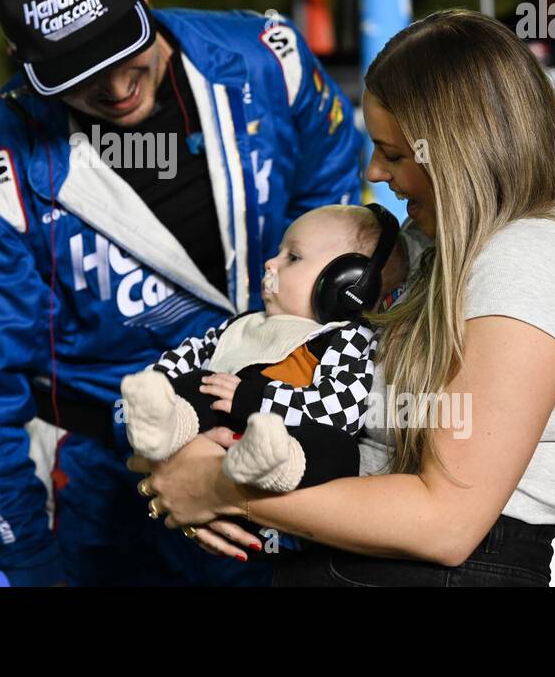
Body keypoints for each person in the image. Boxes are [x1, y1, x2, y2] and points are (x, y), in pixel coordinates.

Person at [132, 9, 555, 587]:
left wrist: (218, 488)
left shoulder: (528, 259)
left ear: (461, 153)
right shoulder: (433, 247)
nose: (374, 172)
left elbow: (446, 522)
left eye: (395, 154)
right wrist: (184, 442)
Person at [0, 0, 364, 586]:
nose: (116, 85)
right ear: (21, 60)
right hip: (111, 489)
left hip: (290, 448)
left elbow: (336, 193)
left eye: (122, 47)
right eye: (81, 71)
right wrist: (38, 570)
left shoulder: (269, 60)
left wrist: (306, 349)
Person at [122, 204, 407, 493]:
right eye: (279, 252)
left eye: (292, 257)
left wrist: (253, 399)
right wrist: (156, 381)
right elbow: (194, 353)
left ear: (348, 285)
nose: (270, 263)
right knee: (199, 382)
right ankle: (164, 426)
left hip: (287, 460)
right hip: (209, 455)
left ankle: (278, 464)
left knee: (341, 449)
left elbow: (340, 412)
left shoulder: (346, 338)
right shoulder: (247, 323)